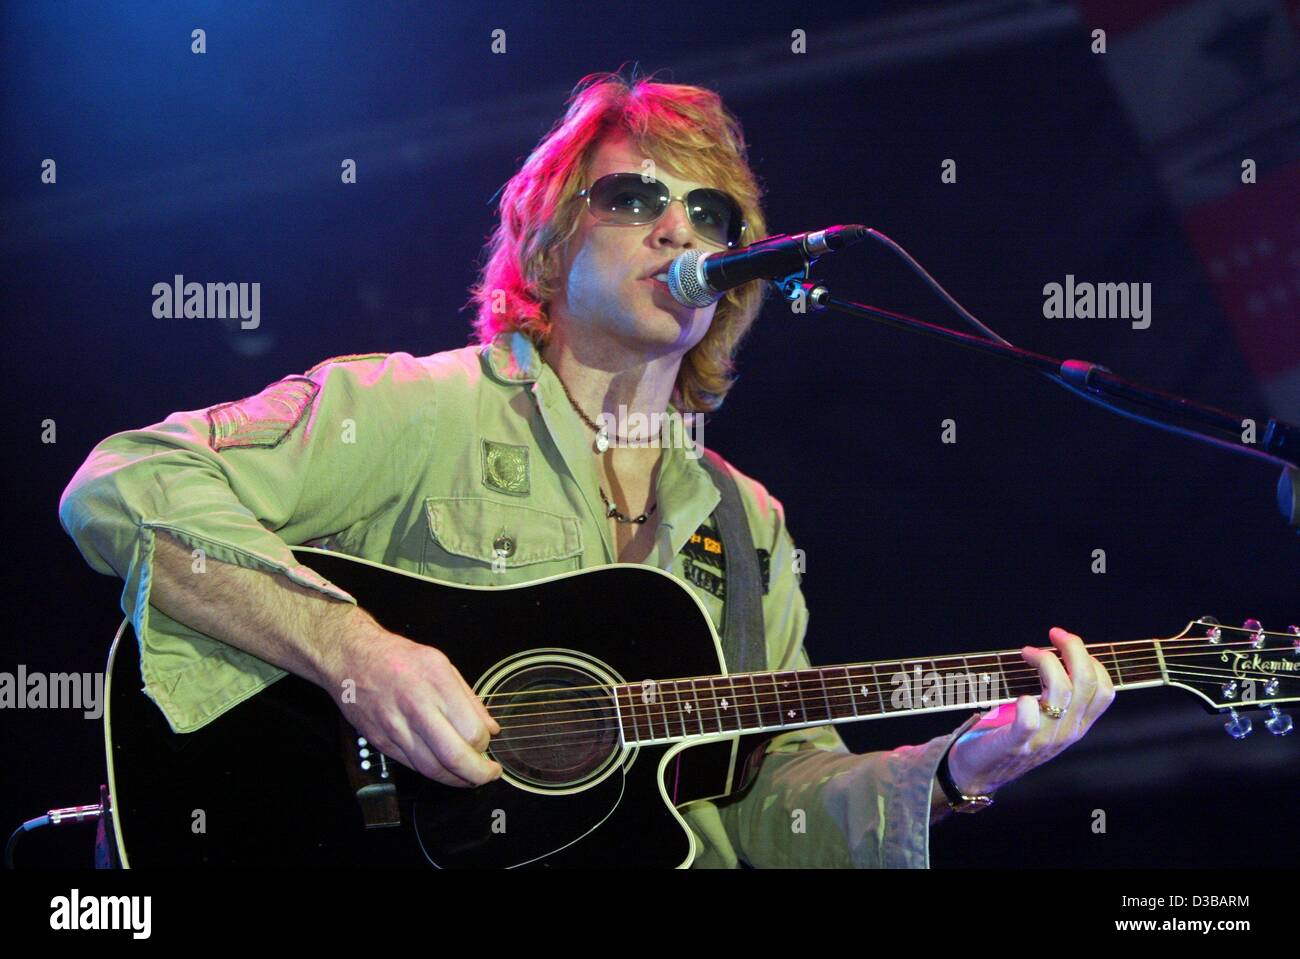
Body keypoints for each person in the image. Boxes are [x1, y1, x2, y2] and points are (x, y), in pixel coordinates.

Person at [58, 70, 1114, 868]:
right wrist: (356, 654)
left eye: (710, 214)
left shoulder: (746, 523)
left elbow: (767, 799)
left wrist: (957, 772)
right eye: (635, 198)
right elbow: (125, 481)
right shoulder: (418, 407)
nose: (679, 228)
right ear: (553, 238)